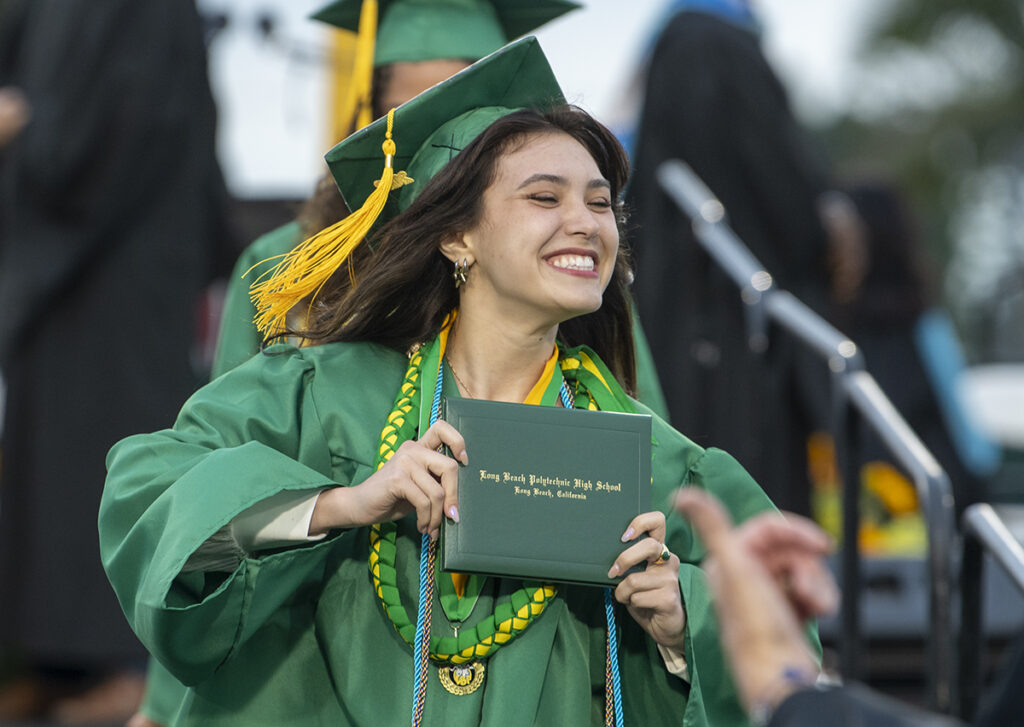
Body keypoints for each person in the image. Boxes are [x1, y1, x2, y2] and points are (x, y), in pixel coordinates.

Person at [100, 38, 799, 726]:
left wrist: (683, 625)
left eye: (600, 203)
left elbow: (784, 655)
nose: (585, 224)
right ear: (457, 237)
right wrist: (341, 504)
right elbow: (155, 513)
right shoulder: (322, 399)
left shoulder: (651, 463)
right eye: (545, 196)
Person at [0, 0, 229, 722]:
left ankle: (128, 663)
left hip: (111, 266)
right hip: (113, 262)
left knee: (108, 446)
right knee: (64, 457)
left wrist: (22, 132)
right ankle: (67, 663)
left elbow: (73, 145)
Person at [625, 0, 864, 516]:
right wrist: (825, 222)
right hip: (745, 353)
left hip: (678, 326)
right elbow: (792, 204)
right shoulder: (720, 45)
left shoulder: (672, 59)